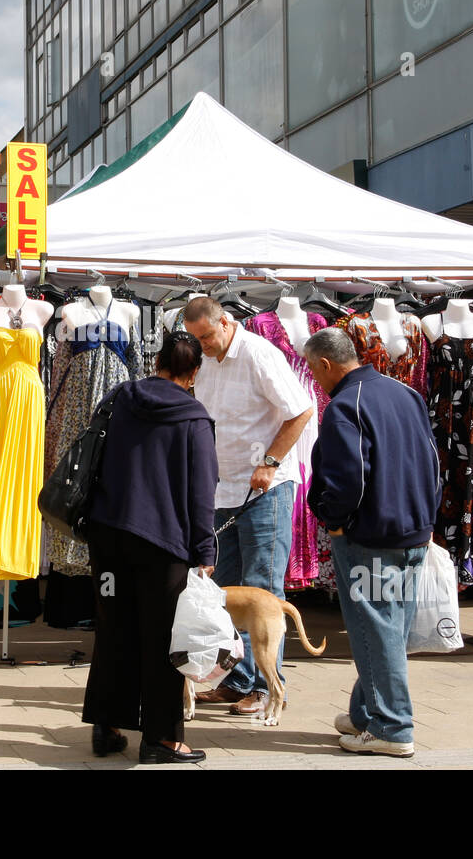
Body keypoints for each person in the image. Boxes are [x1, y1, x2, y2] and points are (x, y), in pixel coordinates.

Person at [81, 331, 218, 764]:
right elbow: (202, 491)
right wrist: (205, 551)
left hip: (107, 535)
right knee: (163, 639)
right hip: (162, 544)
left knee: (113, 628)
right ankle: (161, 739)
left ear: (156, 361)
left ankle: (107, 726)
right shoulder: (194, 417)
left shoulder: (119, 396)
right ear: (194, 372)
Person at [304, 328, 440, 758]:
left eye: (312, 369)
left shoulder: (345, 405)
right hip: (411, 529)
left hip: (371, 535)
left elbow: (348, 478)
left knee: (375, 629)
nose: (314, 378)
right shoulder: (404, 393)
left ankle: (392, 727)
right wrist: (427, 516)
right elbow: (432, 460)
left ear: (326, 364)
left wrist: (336, 519)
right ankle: (368, 714)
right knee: (387, 628)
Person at [183, 296, 313, 716]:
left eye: (206, 336)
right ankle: (236, 681)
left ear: (226, 322)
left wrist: (271, 461)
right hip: (222, 490)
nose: (202, 344)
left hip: (265, 488)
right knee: (222, 593)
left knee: (262, 590)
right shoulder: (206, 362)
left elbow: (301, 410)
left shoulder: (260, 353)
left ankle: (266, 689)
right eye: (194, 338)